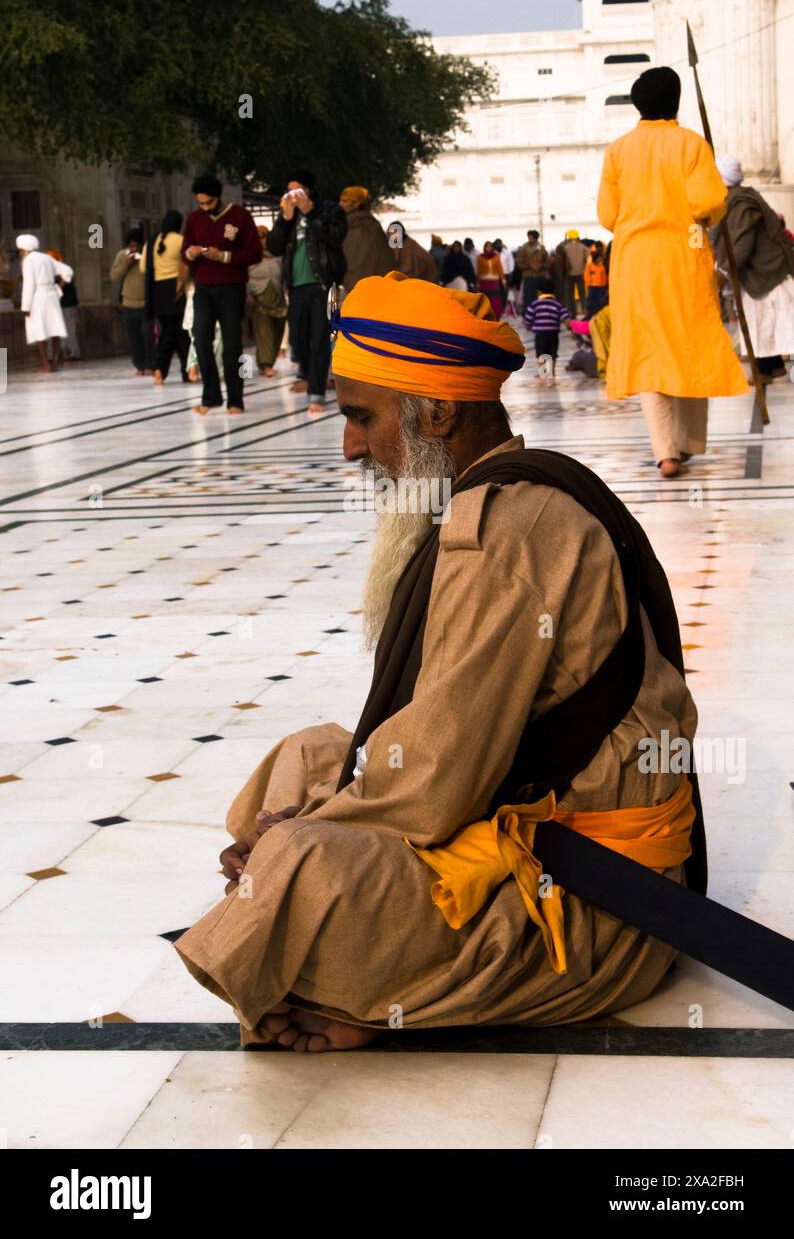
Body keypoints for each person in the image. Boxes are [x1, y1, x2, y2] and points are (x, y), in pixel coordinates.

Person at [175, 270, 703, 1052]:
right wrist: (309, 810)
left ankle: (339, 987)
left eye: (362, 417)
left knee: (297, 862)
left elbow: (434, 780)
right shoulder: (499, 499)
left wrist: (300, 832)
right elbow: (432, 745)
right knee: (307, 757)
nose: (351, 446)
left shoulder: (505, 532)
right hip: (523, 830)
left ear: (438, 410)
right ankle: (343, 982)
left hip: (595, 912)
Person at [597, 66, 749, 478]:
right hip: (683, 257)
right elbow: (707, 205)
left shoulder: (619, 150)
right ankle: (687, 443)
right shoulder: (691, 145)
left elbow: (607, 214)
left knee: (649, 352)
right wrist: (713, 208)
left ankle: (665, 451)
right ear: (675, 101)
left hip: (633, 263)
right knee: (688, 345)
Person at [268, 168, 347, 416]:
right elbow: (273, 246)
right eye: (289, 191)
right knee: (297, 339)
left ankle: (317, 392)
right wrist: (284, 219)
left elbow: (336, 237)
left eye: (297, 190)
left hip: (322, 283)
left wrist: (310, 212)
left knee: (319, 339)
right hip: (296, 286)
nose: (292, 195)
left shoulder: (329, 209)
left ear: (309, 190)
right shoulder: (287, 216)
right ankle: (308, 374)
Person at [181, 174, 262, 417]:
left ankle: (236, 399)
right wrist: (192, 253)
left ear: (218, 197)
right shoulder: (194, 219)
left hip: (231, 287)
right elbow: (184, 255)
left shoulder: (239, 216)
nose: (205, 207)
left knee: (232, 344)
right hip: (204, 288)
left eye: (208, 202)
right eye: (201, 203)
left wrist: (224, 256)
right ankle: (211, 396)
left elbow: (255, 253)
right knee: (201, 338)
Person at [712, 157, 794, 385]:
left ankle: (767, 368)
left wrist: (725, 272)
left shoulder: (740, 203)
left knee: (777, 323)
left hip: (770, 273)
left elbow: (742, 244)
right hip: (758, 275)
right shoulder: (733, 201)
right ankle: (769, 367)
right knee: (761, 323)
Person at [140, 210, 189, 386]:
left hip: (157, 292)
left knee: (167, 332)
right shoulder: (179, 240)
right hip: (176, 290)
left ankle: (159, 370)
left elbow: (143, 268)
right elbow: (188, 264)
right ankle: (187, 371)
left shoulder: (150, 242)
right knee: (182, 333)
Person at [17, 235, 72, 372]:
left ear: (24, 248)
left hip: (38, 297)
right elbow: (67, 271)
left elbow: (29, 285)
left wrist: (25, 307)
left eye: (20, 250)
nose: (19, 252)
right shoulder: (46, 257)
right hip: (52, 296)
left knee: (38, 329)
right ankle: (55, 364)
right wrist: (59, 287)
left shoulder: (28, 261)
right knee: (55, 329)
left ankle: (46, 364)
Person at [111, 227, 154, 376]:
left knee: (148, 335)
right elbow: (114, 275)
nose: (134, 249)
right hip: (128, 303)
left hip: (145, 303)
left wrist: (142, 260)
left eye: (137, 246)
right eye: (131, 246)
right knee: (133, 337)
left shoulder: (148, 254)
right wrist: (126, 264)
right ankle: (139, 365)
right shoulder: (122, 256)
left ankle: (151, 364)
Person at [247, 226, 286, 376]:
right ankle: (266, 365)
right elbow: (243, 277)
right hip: (258, 299)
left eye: (264, 237)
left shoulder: (277, 255)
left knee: (277, 332)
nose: (262, 240)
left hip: (278, 299)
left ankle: (266, 362)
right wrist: (247, 295)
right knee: (264, 332)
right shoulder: (249, 257)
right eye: (259, 237)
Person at [338, 186, 394, 291]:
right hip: (354, 283)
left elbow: (383, 258)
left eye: (345, 201)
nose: (340, 204)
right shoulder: (344, 226)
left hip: (371, 285)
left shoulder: (371, 227)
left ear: (356, 204)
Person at [523, 276, 567, 378]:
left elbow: (528, 319)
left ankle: (543, 372)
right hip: (553, 333)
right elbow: (565, 316)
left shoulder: (534, 305)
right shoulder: (558, 304)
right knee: (553, 352)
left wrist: (528, 326)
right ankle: (553, 372)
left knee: (541, 352)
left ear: (539, 292)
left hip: (540, 333)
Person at [46, 248, 81, 362]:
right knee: (61, 330)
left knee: (69, 329)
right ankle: (62, 353)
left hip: (67, 304)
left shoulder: (62, 269)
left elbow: (63, 283)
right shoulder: (53, 271)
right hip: (60, 305)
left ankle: (73, 353)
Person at [515, 230, 550, 312]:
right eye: (529, 237)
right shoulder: (523, 248)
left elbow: (547, 261)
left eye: (532, 238)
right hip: (529, 276)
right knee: (528, 298)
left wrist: (541, 266)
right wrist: (530, 266)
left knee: (541, 297)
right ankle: (528, 314)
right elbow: (519, 263)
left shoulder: (542, 248)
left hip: (541, 276)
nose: (530, 239)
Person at [476, 239, 506, 317]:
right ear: (484, 247)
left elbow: (500, 269)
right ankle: (486, 315)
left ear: (492, 248)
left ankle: (496, 315)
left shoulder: (496, 257)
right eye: (487, 246)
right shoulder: (481, 257)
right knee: (485, 300)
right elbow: (479, 270)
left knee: (495, 300)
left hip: (494, 282)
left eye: (490, 246)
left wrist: (503, 280)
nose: (488, 248)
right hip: (484, 282)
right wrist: (478, 282)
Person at [560, 230, 588, 314]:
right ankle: (584, 308)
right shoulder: (583, 247)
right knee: (582, 293)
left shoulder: (566, 248)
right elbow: (587, 259)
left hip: (569, 274)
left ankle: (572, 310)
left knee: (570, 294)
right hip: (581, 273)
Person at [583, 244, 609, 317]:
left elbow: (603, 277)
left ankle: (598, 314)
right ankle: (590, 314)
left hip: (600, 287)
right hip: (592, 287)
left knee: (599, 302)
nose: (600, 260)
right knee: (591, 302)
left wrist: (603, 285)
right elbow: (586, 275)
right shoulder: (590, 266)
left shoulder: (602, 267)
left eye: (600, 259)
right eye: (599, 259)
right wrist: (588, 283)